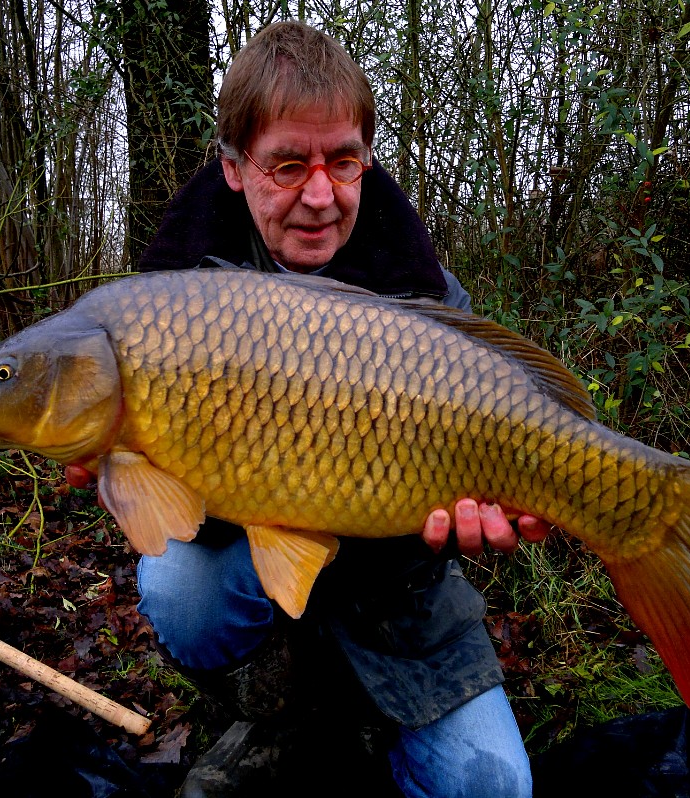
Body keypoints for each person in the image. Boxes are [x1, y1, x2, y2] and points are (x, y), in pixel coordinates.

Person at [128, 21, 547, 798]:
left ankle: (374, 727)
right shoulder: (171, 303)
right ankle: (278, 710)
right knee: (177, 586)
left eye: (343, 161)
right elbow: (167, 503)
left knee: (494, 789)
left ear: (366, 159)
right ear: (232, 167)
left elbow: (438, 530)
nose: (320, 196)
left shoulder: (424, 294)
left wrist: (459, 523)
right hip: (266, 584)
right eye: (287, 165)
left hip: (403, 614)